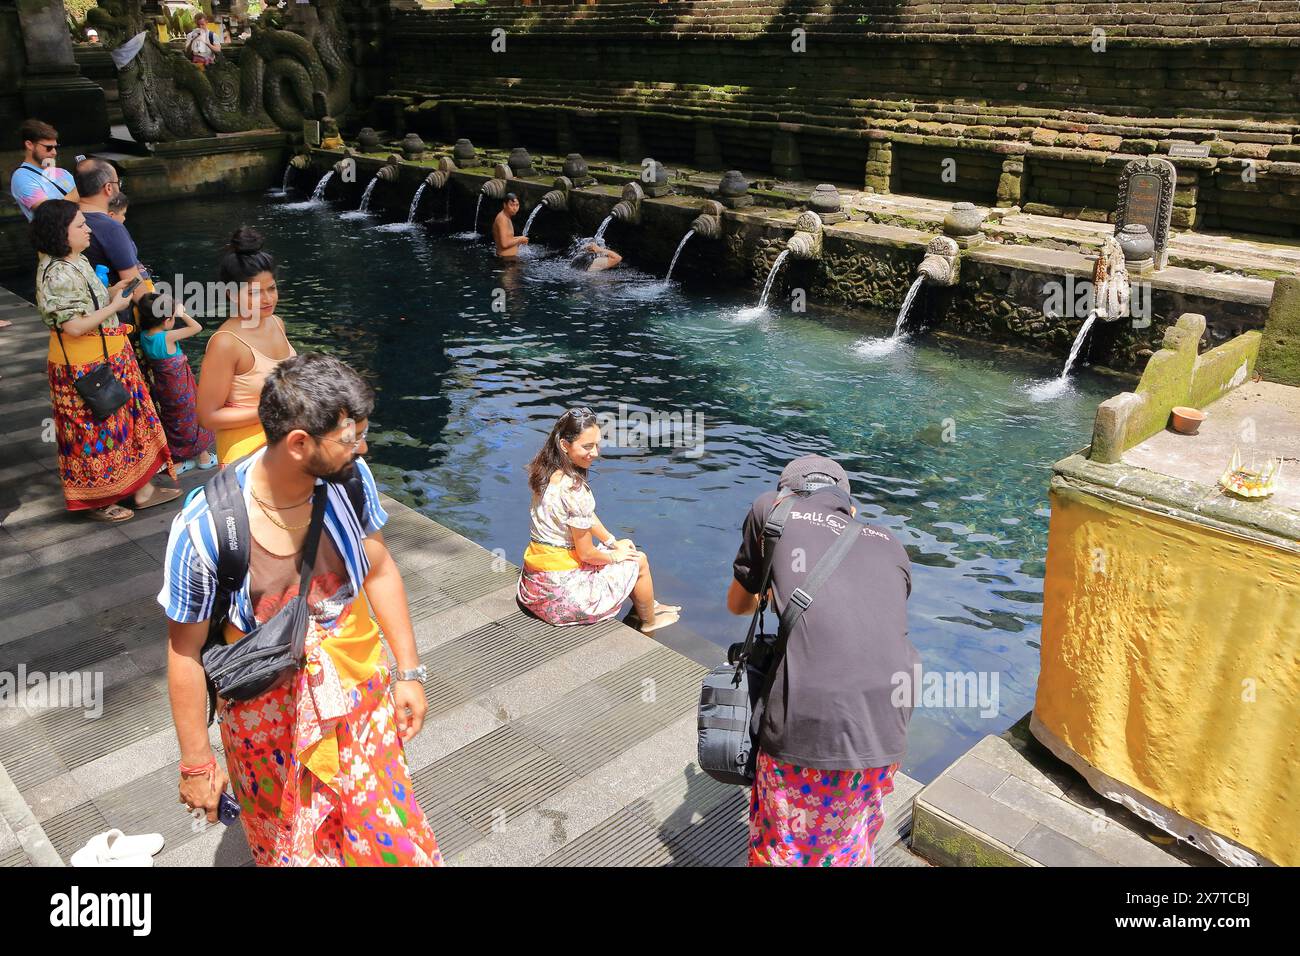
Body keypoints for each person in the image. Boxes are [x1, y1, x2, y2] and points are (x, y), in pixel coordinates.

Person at [160, 353, 443, 867]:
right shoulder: (205, 530)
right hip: (268, 714)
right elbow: (184, 651)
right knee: (290, 846)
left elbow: (378, 569)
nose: (363, 448)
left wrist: (409, 671)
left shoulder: (351, 482)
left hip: (358, 691)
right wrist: (197, 763)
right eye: (350, 438)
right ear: (298, 444)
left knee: (388, 838)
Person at [727, 454, 917, 867]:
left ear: (787, 493)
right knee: (848, 843)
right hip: (888, 719)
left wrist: (777, 587)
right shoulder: (889, 542)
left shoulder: (770, 510)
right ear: (850, 508)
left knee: (786, 849)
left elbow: (738, 604)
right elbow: (870, 620)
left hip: (811, 718)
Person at [30, 200, 178, 522]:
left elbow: (86, 305)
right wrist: (114, 308)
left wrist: (113, 292)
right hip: (83, 365)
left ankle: (139, 488)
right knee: (93, 435)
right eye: (80, 225)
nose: (88, 230)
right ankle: (98, 501)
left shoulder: (76, 260)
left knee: (123, 426)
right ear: (60, 232)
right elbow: (74, 326)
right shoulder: (57, 274)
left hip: (107, 355)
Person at [517, 407, 681, 633]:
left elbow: (584, 516)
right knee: (639, 559)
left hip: (534, 588)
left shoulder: (543, 473)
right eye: (587, 446)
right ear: (565, 445)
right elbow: (586, 554)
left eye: (597, 444)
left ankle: (648, 604)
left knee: (623, 548)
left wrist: (612, 541)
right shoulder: (575, 489)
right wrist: (615, 555)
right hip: (559, 600)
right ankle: (649, 622)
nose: (594, 452)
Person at [196, 227, 297, 465]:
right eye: (255, 293)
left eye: (271, 289)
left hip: (286, 431)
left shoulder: (276, 323)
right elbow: (207, 417)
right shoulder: (226, 343)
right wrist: (272, 411)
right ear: (231, 294)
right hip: (247, 446)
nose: (268, 299)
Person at [137, 292, 217, 474]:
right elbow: (196, 327)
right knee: (194, 419)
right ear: (167, 320)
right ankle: (204, 458)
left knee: (173, 421)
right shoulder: (166, 337)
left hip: (164, 390)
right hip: (182, 389)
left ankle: (179, 463)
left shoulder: (144, 336)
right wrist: (182, 313)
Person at [75, 158, 148, 299]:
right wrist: (160, 313)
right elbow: (134, 285)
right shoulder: (111, 228)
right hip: (114, 313)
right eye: (117, 183)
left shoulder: (67, 218)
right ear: (108, 188)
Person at [9, 119, 79, 223]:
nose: (54, 152)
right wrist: (84, 186)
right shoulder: (21, 177)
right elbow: (49, 213)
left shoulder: (62, 172)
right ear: (29, 145)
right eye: (49, 148)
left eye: (55, 147)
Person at [492, 193, 529, 258]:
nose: (515, 208)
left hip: (509, 259)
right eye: (511, 205)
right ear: (505, 205)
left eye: (517, 205)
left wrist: (520, 238)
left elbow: (507, 238)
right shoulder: (502, 219)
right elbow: (504, 244)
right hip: (506, 260)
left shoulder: (506, 216)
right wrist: (520, 239)